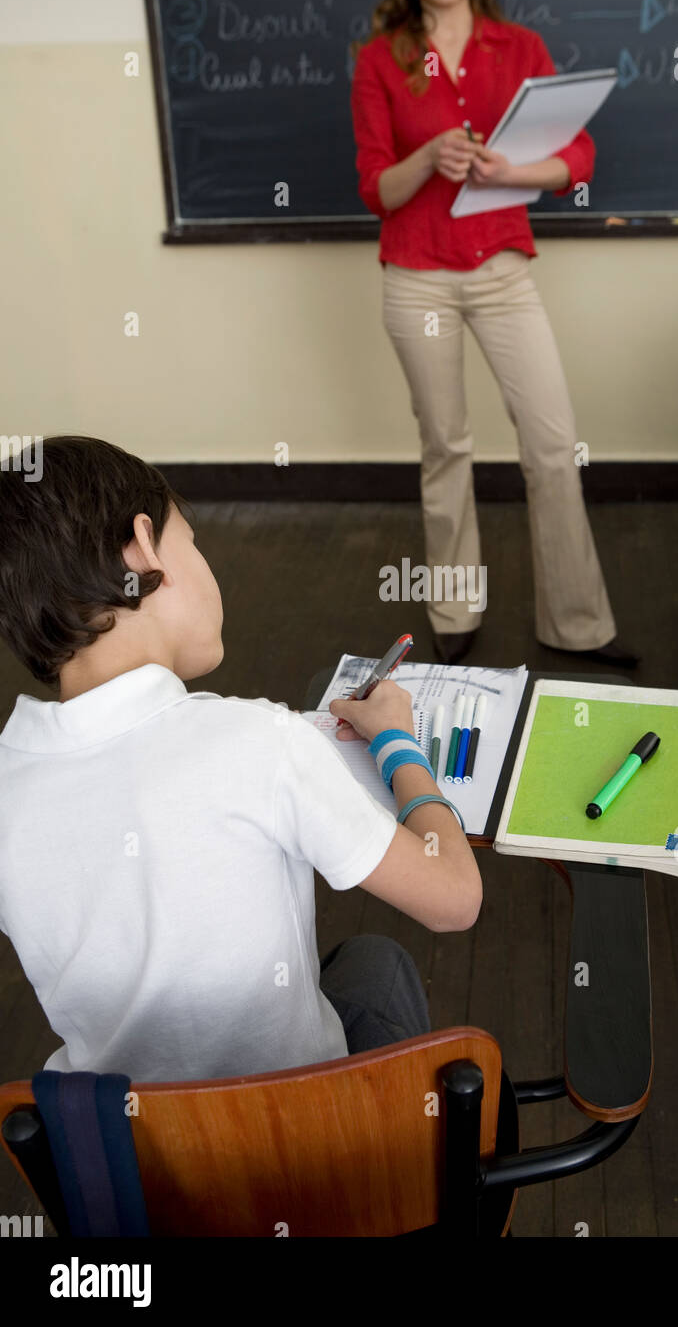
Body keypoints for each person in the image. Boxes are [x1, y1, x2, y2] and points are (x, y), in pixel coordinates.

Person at [0, 436, 480, 1082]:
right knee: (377, 964)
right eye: (191, 540)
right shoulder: (262, 741)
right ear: (143, 547)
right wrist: (398, 744)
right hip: (304, 1145)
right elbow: (455, 899)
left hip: (133, 1167)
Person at [351, 0, 637, 666]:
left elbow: (579, 157)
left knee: (551, 443)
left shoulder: (520, 48)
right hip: (416, 276)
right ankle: (454, 612)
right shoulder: (382, 59)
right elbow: (377, 188)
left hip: (503, 267)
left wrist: (515, 169)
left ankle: (577, 624)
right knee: (446, 445)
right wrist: (428, 157)